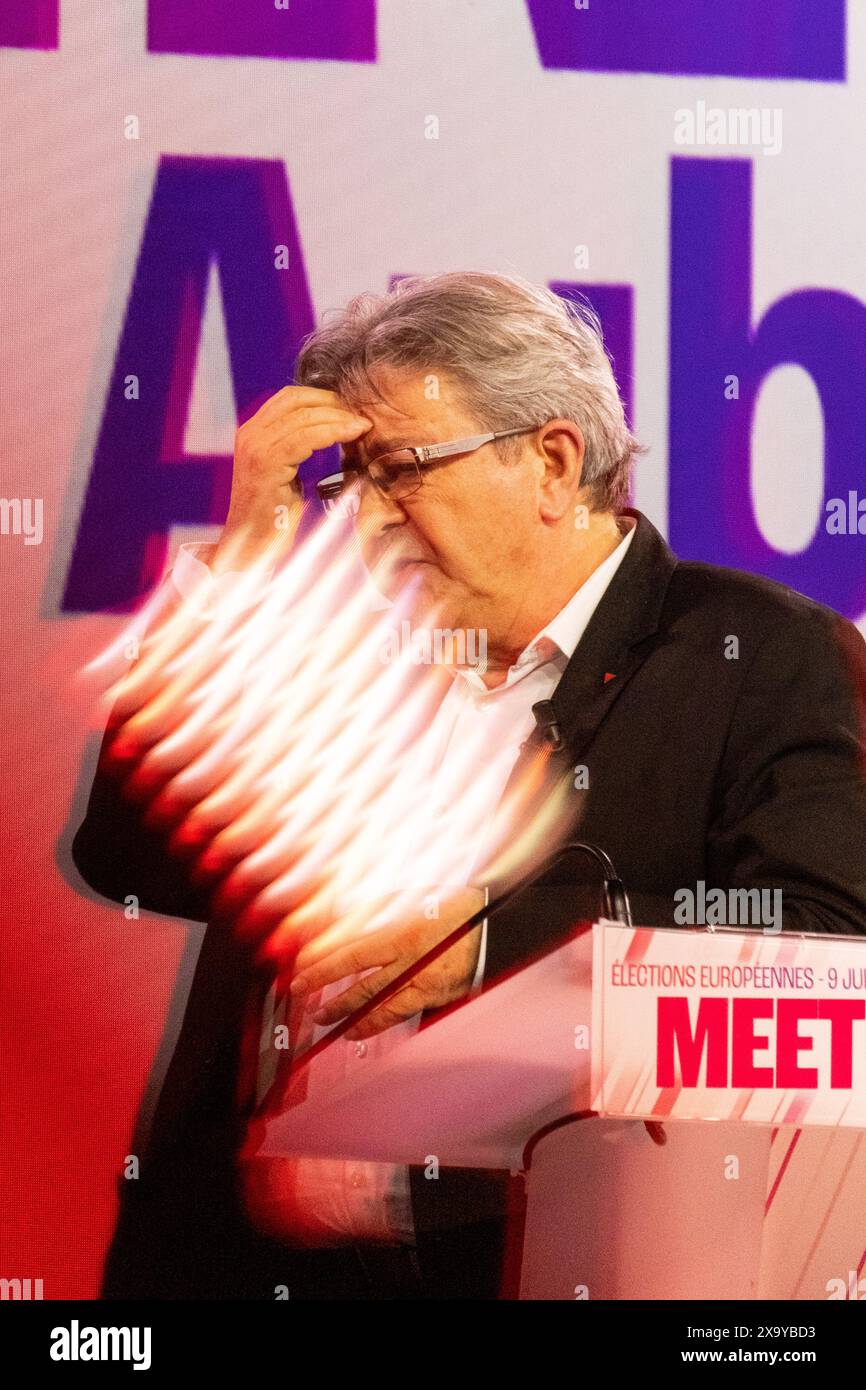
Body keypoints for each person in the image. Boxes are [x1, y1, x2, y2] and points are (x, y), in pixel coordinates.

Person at [70, 271, 866, 1300]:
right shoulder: (333, 649)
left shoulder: (757, 654)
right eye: (342, 483)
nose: (364, 520)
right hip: (242, 1271)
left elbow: (824, 941)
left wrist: (489, 942)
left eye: (397, 469)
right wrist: (240, 574)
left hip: (527, 1266)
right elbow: (131, 854)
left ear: (550, 460)